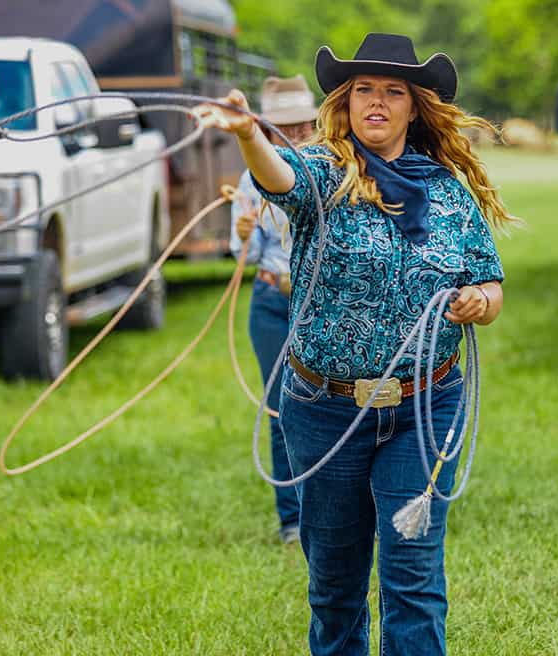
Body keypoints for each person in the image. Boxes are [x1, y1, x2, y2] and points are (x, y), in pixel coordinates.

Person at [201, 33, 513, 655]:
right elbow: (280, 177)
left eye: (393, 91)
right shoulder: (326, 173)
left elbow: (489, 279)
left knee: (414, 579)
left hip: (424, 405)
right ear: (344, 103)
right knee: (336, 584)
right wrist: (247, 134)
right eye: (364, 90)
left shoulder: (448, 190)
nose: (377, 102)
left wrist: (479, 301)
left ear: (414, 106)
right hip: (326, 407)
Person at [229, 75, 318, 545]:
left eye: (301, 125)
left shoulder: (333, 169)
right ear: (264, 129)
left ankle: (331, 511)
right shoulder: (251, 177)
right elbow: (241, 249)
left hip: (318, 302)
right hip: (270, 299)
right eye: (282, 126)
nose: (294, 134)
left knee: (325, 406)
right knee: (281, 406)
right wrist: (244, 233)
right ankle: (291, 518)